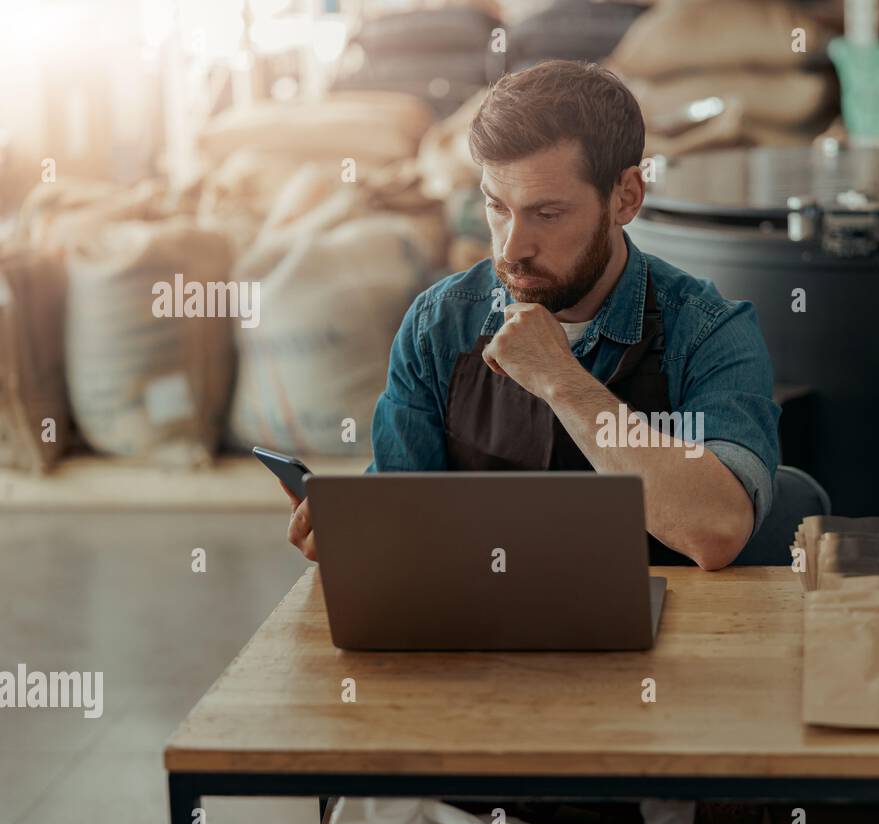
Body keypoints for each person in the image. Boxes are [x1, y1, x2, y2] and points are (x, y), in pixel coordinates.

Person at [284, 59, 781, 571]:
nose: (512, 248)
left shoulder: (707, 331)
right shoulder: (438, 325)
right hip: (481, 635)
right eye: (497, 207)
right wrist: (356, 532)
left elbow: (717, 530)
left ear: (626, 197)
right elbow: (401, 525)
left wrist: (560, 379)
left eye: (547, 214)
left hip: (671, 639)